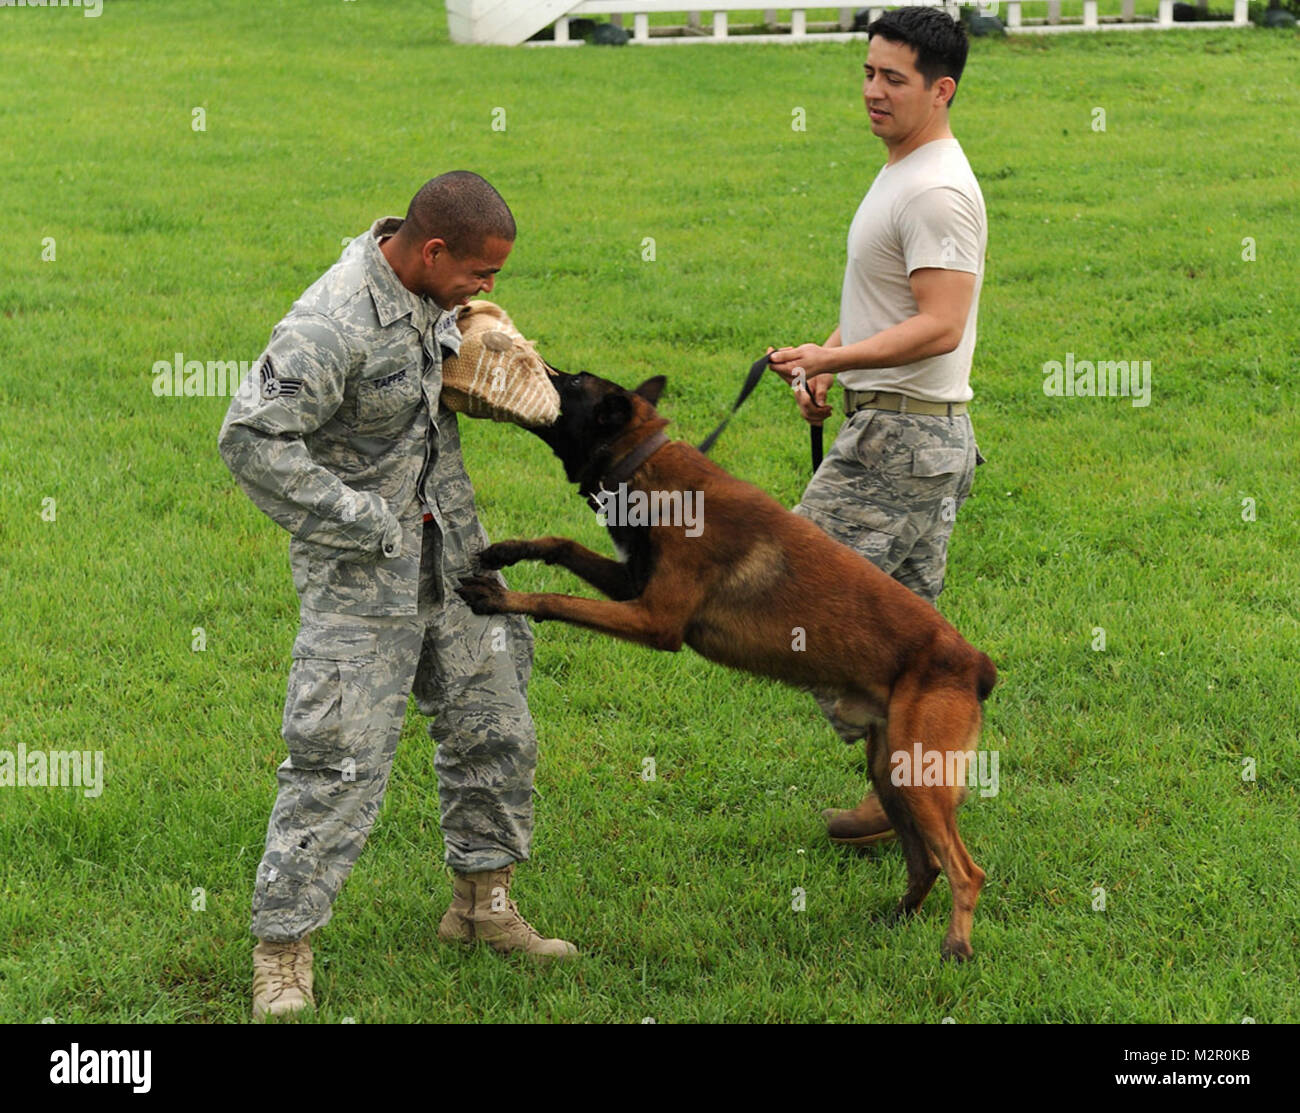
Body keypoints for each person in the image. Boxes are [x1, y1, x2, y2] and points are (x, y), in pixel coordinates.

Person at [218, 171, 576, 1023]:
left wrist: (489, 351)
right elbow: (250, 436)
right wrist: (364, 519)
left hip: (453, 561)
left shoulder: (430, 291)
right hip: (361, 581)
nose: (490, 289)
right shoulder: (328, 322)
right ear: (432, 249)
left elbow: (445, 371)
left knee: (497, 726)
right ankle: (282, 951)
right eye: (481, 275)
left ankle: (482, 907)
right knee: (334, 762)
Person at [768, 8, 987, 847]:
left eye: (893, 79)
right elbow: (892, 306)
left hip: (901, 444)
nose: (872, 91)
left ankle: (909, 779)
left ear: (942, 89)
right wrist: (830, 357)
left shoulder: (934, 189)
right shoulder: (904, 168)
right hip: (910, 431)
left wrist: (840, 360)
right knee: (908, 634)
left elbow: (940, 322)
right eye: (867, 72)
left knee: (795, 593)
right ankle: (909, 797)